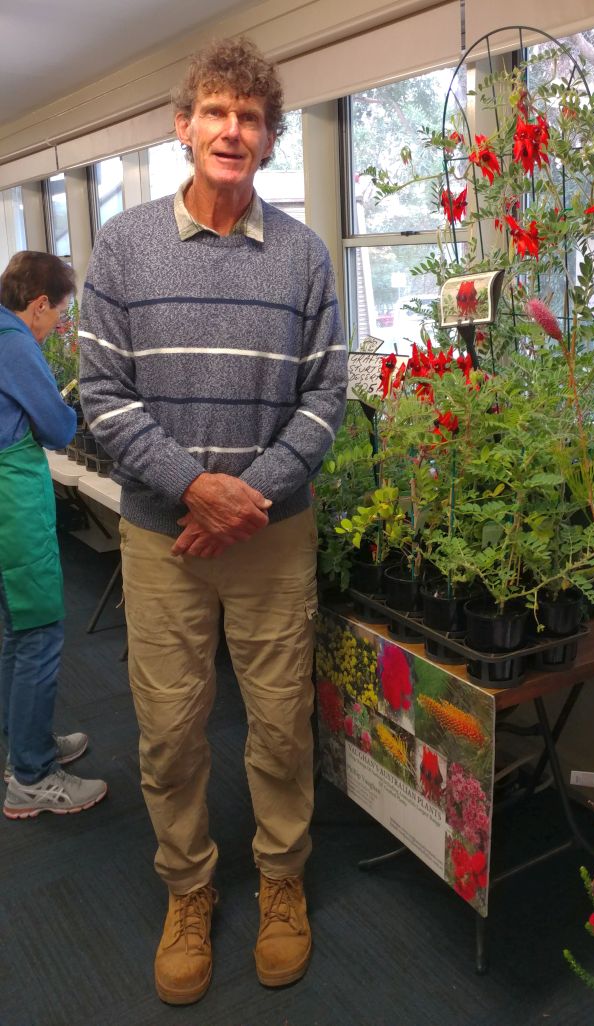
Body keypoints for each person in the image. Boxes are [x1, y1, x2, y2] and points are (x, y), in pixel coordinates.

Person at [78, 37, 347, 1005]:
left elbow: (328, 393)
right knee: (169, 730)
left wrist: (249, 497)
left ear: (269, 138)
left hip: (271, 536)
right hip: (165, 539)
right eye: (215, 113)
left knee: (278, 725)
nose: (232, 130)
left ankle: (281, 882)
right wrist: (195, 491)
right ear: (182, 127)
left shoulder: (305, 256)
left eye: (251, 117)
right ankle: (187, 889)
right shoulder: (124, 247)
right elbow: (101, 392)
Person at [0, 251, 108, 819]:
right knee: (39, 632)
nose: (59, 326)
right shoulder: (14, 342)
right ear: (37, 304)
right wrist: (68, 405)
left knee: (18, 634)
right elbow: (58, 426)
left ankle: (25, 748)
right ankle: (32, 779)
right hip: (10, 503)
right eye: (60, 315)